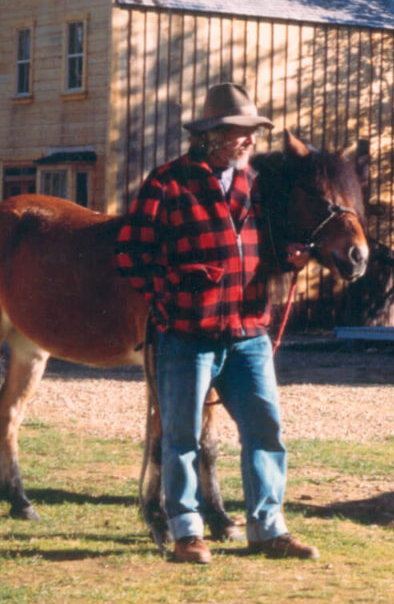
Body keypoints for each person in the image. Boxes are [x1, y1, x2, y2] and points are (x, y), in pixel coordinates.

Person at [115, 82, 318, 564]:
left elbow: (264, 252)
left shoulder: (257, 186)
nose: (249, 141)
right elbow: (131, 253)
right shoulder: (167, 183)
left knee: (265, 433)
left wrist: (288, 259)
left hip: (249, 334)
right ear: (209, 136)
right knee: (181, 438)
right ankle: (186, 533)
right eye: (239, 133)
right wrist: (173, 290)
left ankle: (268, 530)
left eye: (253, 133)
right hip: (186, 336)